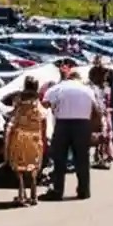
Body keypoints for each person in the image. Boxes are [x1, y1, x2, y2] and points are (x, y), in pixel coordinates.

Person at [42, 69, 100, 201]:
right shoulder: (87, 90)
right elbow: (96, 108)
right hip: (83, 124)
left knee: (60, 159)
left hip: (63, 124)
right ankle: (84, 190)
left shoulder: (58, 88)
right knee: (82, 159)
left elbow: (45, 103)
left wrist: (55, 106)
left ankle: (57, 190)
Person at [4, 76, 48, 206]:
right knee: (34, 166)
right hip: (35, 137)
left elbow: (13, 117)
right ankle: (34, 195)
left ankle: (21, 195)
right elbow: (43, 118)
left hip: (20, 136)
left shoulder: (19, 101)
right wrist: (44, 137)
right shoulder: (37, 101)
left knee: (19, 167)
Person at [87, 65, 113, 171]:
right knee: (100, 136)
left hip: (101, 113)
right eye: (103, 76)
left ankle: (101, 157)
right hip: (96, 114)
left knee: (104, 136)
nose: (104, 78)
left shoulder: (100, 87)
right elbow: (96, 103)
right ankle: (100, 158)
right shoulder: (92, 88)